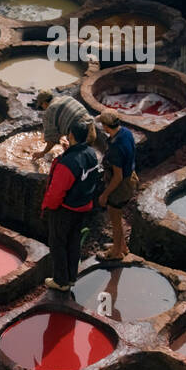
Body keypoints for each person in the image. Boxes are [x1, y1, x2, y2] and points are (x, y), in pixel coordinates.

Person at [41, 117, 101, 291]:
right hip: (82, 206)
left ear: (71, 135)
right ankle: (71, 277)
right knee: (73, 241)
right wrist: (70, 150)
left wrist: (49, 207)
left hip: (64, 209)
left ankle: (61, 282)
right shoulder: (90, 153)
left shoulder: (67, 163)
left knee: (58, 243)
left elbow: (56, 192)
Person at [98, 109, 138, 260]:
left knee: (115, 220)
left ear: (106, 127)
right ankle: (121, 246)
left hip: (120, 187)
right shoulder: (126, 132)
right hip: (131, 178)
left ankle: (116, 253)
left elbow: (117, 177)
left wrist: (105, 194)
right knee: (118, 217)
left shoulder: (116, 148)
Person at [33, 89, 96, 162]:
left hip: (78, 131)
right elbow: (71, 117)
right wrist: (66, 138)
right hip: (91, 127)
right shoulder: (67, 98)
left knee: (74, 158)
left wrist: (42, 153)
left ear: (44, 103)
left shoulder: (49, 111)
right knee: (87, 153)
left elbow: (52, 139)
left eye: (41, 105)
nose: (43, 108)